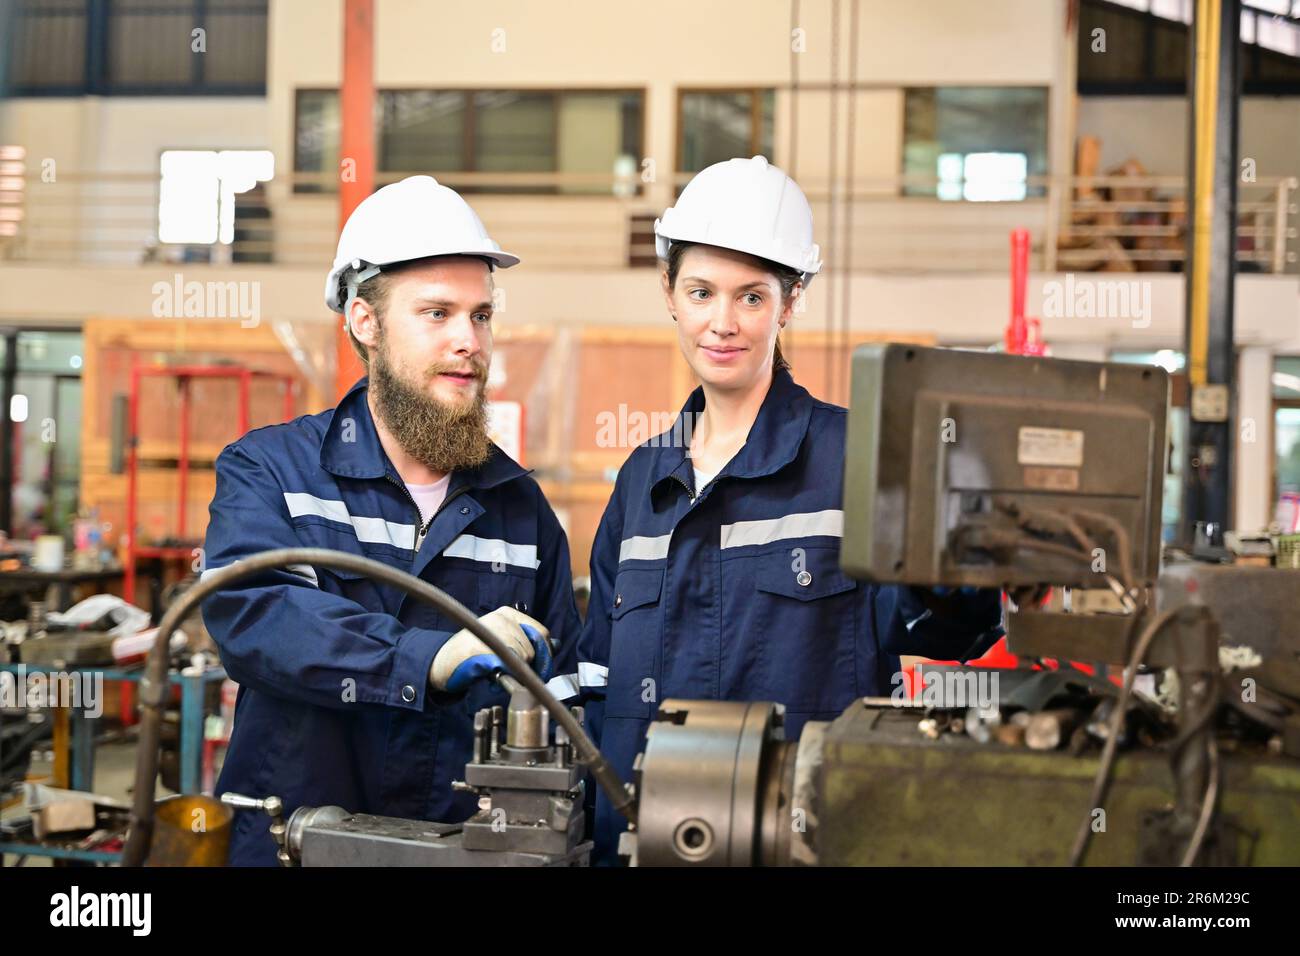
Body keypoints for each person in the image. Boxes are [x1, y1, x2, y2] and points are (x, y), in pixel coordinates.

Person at [576, 156, 1004, 861]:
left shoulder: (859, 460)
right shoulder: (641, 481)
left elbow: (950, 634)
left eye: (751, 297)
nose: (722, 322)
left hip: (806, 843)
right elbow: (596, 682)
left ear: (791, 301)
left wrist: (967, 553)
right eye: (702, 292)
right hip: (643, 843)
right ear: (670, 294)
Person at [203, 175, 582, 865]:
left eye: (481, 315)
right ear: (365, 322)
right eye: (436, 313)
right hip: (295, 853)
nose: (469, 340)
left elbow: (567, 694)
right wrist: (428, 657)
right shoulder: (272, 473)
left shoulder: (519, 508)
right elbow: (255, 617)